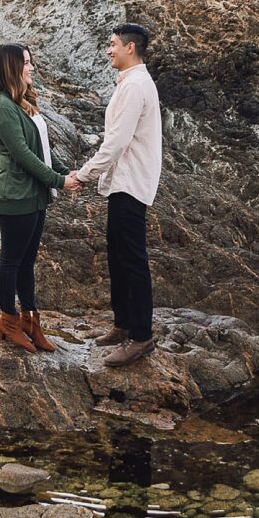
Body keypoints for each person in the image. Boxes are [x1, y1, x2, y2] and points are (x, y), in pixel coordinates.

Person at [65, 23, 162, 367]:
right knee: (118, 256)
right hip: (123, 182)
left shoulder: (135, 86)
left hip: (131, 183)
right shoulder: (131, 83)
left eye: (113, 44)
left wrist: (85, 175)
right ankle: (123, 326)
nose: (109, 50)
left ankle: (141, 338)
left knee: (132, 261)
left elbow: (117, 142)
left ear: (130, 48)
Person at [0, 43, 66, 353]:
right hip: (14, 194)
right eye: (26, 63)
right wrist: (58, 180)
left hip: (34, 195)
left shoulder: (21, 103)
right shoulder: (1, 106)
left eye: (31, 62)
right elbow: (24, 156)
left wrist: (66, 171)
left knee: (27, 262)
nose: (31, 68)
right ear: (10, 68)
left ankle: (31, 320)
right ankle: (8, 320)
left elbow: (43, 148)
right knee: (11, 261)